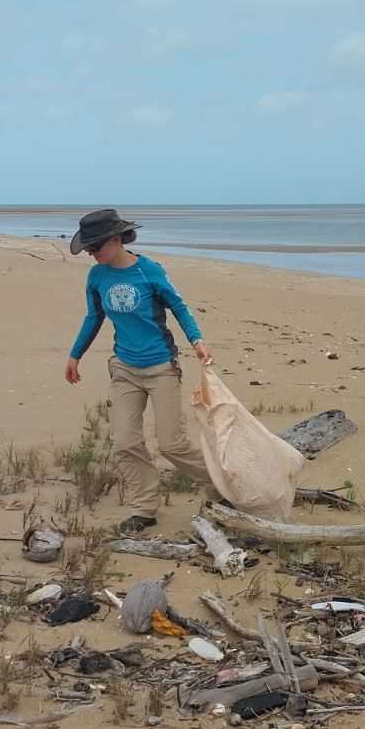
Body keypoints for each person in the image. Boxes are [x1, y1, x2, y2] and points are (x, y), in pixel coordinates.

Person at [62, 208, 214, 535]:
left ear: (116, 240)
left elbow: (179, 306)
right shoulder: (97, 277)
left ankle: (220, 487)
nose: (90, 253)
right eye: (87, 248)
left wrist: (197, 340)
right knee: (125, 441)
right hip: (124, 369)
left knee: (172, 444)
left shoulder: (149, 271)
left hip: (161, 367)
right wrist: (75, 355)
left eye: (94, 247)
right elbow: (94, 317)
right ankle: (143, 509)